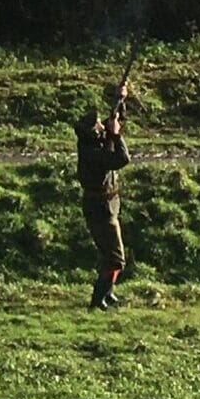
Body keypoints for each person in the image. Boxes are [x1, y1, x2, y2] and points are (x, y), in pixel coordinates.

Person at [75, 81, 131, 310]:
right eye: (99, 124)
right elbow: (122, 159)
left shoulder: (93, 143)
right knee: (116, 258)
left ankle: (107, 293)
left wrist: (121, 100)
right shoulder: (93, 153)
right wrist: (116, 137)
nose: (102, 125)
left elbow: (116, 122)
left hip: (107, 204)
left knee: (111, 256)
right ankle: (99, 299)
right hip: (101, 209)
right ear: (94, 132)